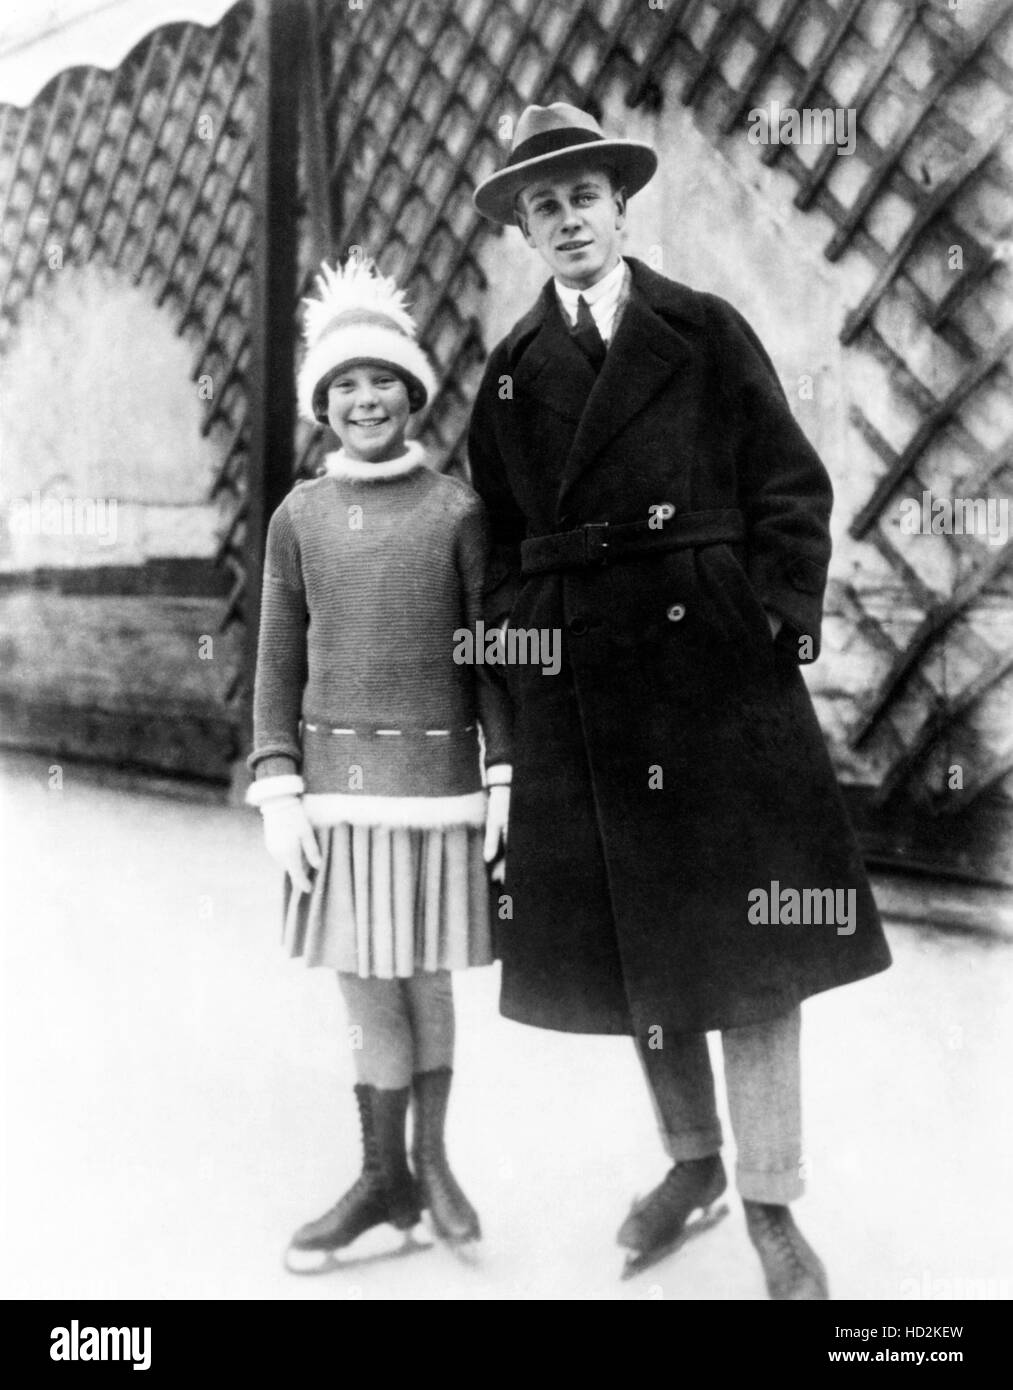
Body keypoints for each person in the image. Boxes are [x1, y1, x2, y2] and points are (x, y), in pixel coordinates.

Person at [468, 103, 892, 1298]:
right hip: (584, 689)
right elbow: (497, 539)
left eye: (582, 196)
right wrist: (528, 658)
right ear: (524, 230)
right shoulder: (510, 375)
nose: (566, 220)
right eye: (542, 206)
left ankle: (771, 1200)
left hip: (713, 678)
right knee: (636, 952)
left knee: (753, 947)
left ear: (619, 205)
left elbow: (788, 486)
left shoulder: (700, 329)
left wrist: (767, 620)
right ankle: (691, 1160)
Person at [246, 255, 512, 1272]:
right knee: (365, 986)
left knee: (426, 979)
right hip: (334, 799)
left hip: (437, 793)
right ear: (322, 406)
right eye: (345, 384)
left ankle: (431, 1165)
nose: (365, 399)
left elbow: (488, 655)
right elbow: (276, 661)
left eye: (383, 381)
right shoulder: (299, 519)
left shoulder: (456, 512)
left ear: (412, 394)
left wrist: (502, 773)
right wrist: (277, 784)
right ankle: (378, 1177)